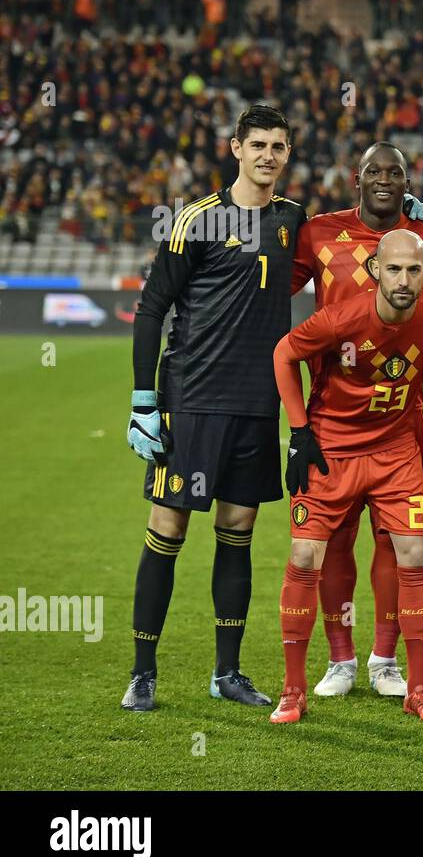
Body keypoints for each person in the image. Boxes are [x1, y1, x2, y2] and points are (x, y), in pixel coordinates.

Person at [122, 105, 307, 711]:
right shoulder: (196, 220)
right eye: (257, 144)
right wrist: (145, 399)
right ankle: (143, 673)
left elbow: (346, 239)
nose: (268, 155)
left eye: (278, 146)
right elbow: (152, 308)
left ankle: (226, 672)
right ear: (235, 148)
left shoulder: (292, 219)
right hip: (193, 401)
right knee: (168, 527)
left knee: (238, 531)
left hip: (257, 404)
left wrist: (402, 213)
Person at [269, 229, 423, 723]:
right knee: (304, 553)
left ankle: (417, 689)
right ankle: (293, 690)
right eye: (393, 268)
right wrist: (298, 432)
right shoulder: (341, 318)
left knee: (414, 552)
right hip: (332, 450)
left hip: (395, 452)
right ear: (374, 270)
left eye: (414, 269)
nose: (403, 279)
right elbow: (284, 354)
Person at [290, 141, 423, 699]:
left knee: (396, 541)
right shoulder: (316, 232)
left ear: (409, 182)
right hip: (331, 412)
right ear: (356, 177)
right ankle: (341, 659)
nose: (385, 180)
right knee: (333, 541)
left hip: (401, 414)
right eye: (374, 171)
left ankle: (384, 658)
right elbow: (270, 293)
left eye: (396, 173)